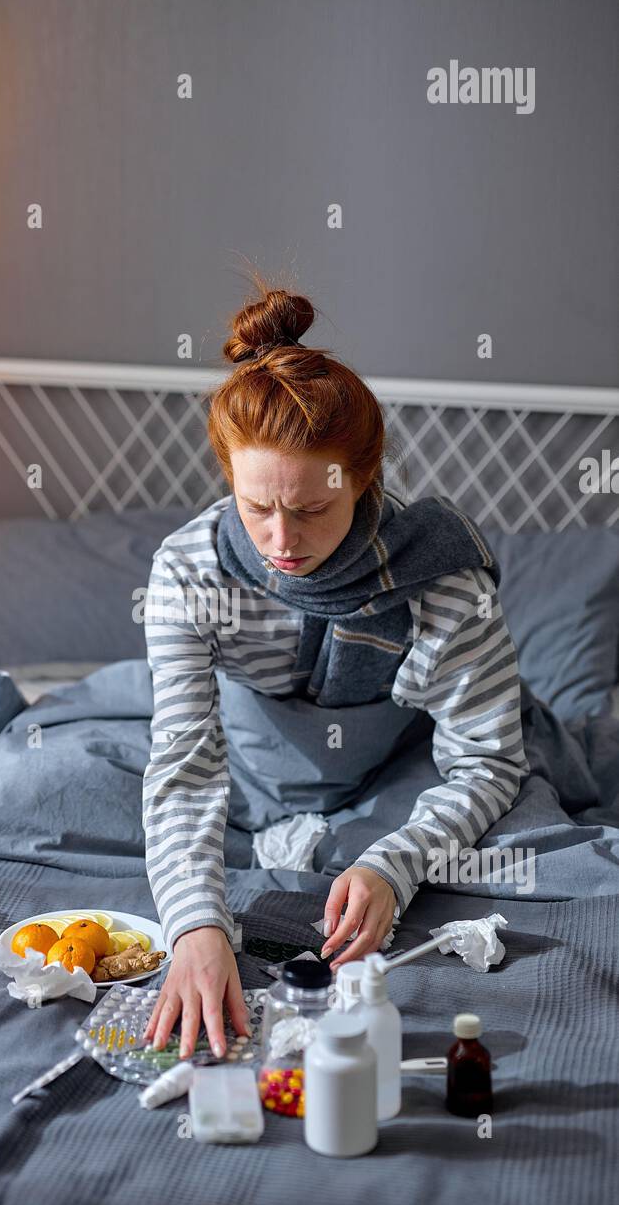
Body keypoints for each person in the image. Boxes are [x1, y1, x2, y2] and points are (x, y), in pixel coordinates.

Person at [141, 280, 528, 1059]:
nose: (281, 540)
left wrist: (395, 864)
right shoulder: (187, 572)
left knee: (538, 857)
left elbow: (487, 762)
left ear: (361, 478)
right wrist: (196, 925)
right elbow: (183, 767)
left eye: (312, 509)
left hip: (398, 778)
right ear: (228, 480)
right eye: (255, 507)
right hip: (243, 775)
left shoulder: (443, 582)